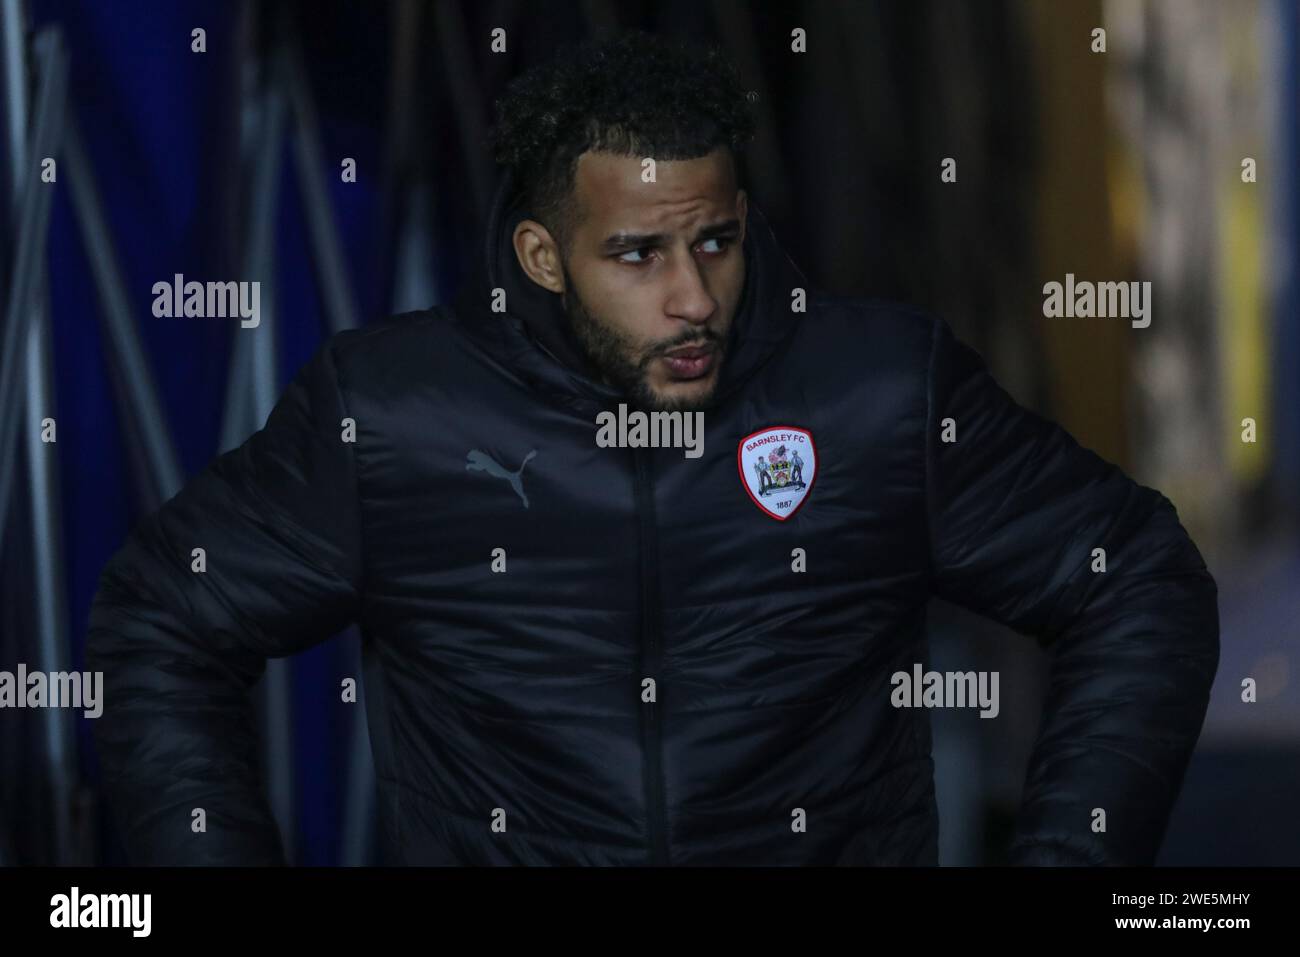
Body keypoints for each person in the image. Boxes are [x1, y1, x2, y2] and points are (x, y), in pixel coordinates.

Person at [86, 30, 1219, 866]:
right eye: (638, 255)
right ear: (541, 256)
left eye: (716, 242)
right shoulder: (395, 411)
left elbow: (1137, 579)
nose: (694, 298)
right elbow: (163, 616)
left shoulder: (875, 390)